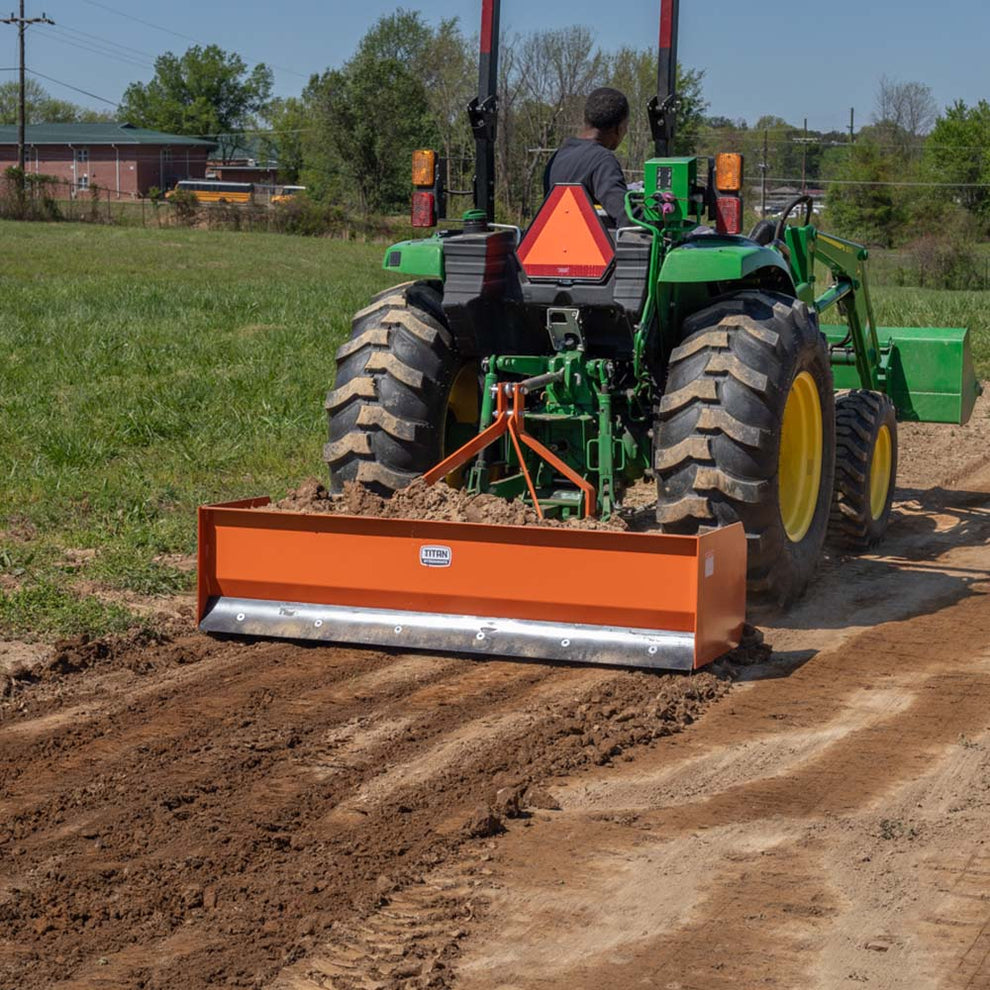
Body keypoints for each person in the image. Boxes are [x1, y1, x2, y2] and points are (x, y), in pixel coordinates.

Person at [544, 87, 630, 228]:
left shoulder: (558, 157)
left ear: (586, 119)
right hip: (587, 241)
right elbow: (625, 216)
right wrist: (656, 224)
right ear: (618, 128)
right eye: (626, 126)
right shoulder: (603, 160)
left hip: (554, 238)